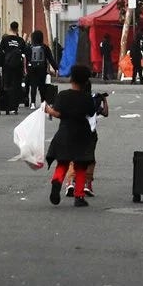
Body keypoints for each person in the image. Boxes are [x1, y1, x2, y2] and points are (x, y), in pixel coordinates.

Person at [45, 64, 107, 207]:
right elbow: (91, 113)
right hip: (82, 135)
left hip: (65, 132)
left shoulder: (63, 95)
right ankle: (79, 196)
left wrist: (48, 110)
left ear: (71, 79)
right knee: (81, 166)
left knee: (62, 162)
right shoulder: (86, 98)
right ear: (86, 81)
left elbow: (58, 114)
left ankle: (57, 180)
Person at [0, 23, 28, 113]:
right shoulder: (21, 40)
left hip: (7, 66)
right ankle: (14, 107)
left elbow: (0, 52)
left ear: (10, 28)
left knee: (7, 85)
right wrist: (25, 68)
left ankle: (7, 106)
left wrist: (0, 65)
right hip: (17, 66)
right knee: (16, 86)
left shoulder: (5, 39)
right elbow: (25, 54)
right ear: (17, 29)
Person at [25, 31, 51, 104]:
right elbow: (50, 58)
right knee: (42, 86)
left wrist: (26, 68)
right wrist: (56, 68)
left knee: (33, 85)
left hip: (32, 69)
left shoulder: (29, 47)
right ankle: (43, 102)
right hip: (42, 68)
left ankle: (33, 102)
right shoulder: (45, 47)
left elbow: (27, 58)